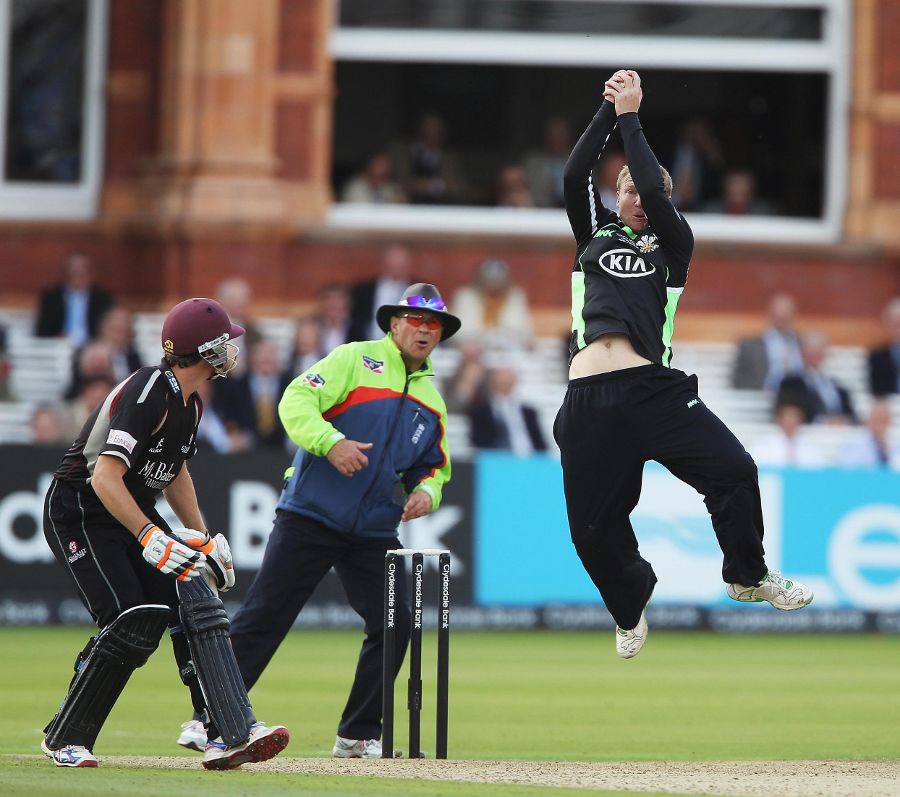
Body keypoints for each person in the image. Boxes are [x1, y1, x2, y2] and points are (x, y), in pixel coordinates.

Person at [554, 69, 813, 661]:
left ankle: (747, 575)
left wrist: (631, 117)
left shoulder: (674, 245)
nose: (640, 199)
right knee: (591, 531)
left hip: (654, 390)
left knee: (734, 470)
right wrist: (606, 109)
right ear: (614, 196)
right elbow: (574, 174)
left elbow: (649, 175)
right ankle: (629, 605)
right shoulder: (591, 236)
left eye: (650, 193)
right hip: (590, 399)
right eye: (629, 191)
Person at [177, 283, 457, 758]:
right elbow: (295, 402)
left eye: (433, 324)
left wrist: (427, 492)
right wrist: (331, 442)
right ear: (393, 323)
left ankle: (357, 734)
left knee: (398, 623)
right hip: (311, 513)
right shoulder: (354, 359)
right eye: (414, 319)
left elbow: (434, 465)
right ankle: (207, 719)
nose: (424, 330)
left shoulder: (432, 401)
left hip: (372, 530)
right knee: (266, 615)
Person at [41, 297, 288, 769]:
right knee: (132, 617)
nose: (234, 349)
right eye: (227, 342)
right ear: (207, 350)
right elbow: (104, 478)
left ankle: (224, 729)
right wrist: (150, 537)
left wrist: (204, 537)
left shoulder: (190, 403)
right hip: (82, 511)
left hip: (127, 512)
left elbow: (175, 474)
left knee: (194, 592)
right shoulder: (148, 391)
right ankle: (65, 737)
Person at [775, 331, 857, 425]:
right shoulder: (791, 383)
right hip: (810, 434)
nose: (816, 356)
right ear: (803, 353)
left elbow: (852, 415)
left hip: (842, 432)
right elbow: (789, 413)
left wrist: (842, 421)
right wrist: (823, 421)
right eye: (812, 352)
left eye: (819, 352)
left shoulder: (836, 386)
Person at [452, 259, 534, 349]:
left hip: (509, 350)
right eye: (489, 280)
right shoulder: (465, 296)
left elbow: (524, 331)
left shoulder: (515, 296)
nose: (493, 285)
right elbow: (459, 332)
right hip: (473, 348)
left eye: (498, 281)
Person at [35, 253, 113, 347]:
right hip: (59, 347)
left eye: (82, 269)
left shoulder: (102, 298)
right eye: (74, 270)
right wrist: (56, 337)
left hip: (93, 349)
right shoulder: (51, 297)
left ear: (91, 273)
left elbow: (108, 329)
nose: (78, 273)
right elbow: (42, 331)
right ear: (66, 273)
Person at [731, 293, 804, 391]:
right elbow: (738, 381)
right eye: (778, 310)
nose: (781, 314)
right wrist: (764, 387)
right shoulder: (750, 346)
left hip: (798, 398)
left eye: (786, 310)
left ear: (793, 314)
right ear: (769, 313)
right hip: (762, 398)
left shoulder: (802, 343)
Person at [467, 366, 547, 454]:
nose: (505, 386)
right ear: (493, 384)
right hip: (498, 459)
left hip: (530, 460)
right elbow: (479, 442)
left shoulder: (529, 412)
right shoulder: (481, 413)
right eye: (501, 383)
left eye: (508, 383)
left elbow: (540, 443)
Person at [348, 244, 415, 342]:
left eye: (400, 264)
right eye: (392, 263)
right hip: (368, 346)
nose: (396, 267)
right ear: (384, 263)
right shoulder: (364, 290)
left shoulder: (418, 290)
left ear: (408, 265)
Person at [750, 398, 827, 469]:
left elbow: (818, 470)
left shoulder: (810, 448)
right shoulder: (764, 445)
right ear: (779, 419)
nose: (790, 421)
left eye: (794, 416)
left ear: (801, 419)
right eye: (787, 416)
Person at [839, 400, 900, 468]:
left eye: (883, 420)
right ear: (868, 421)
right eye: (876, 420)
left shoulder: (894, 444)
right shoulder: (856, 443)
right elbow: (847, 466)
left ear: (888, 422)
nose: (879, 425)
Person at [340, 151, 407, 204]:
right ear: (368, 166)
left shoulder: (390, 188)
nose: (385, 169)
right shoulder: (355, 187)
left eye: (387, 166)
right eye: (380, 165)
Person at [867, 297, 900, 397]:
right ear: (888, 325)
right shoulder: (877, 356)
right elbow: (876, 389)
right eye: (896, 324)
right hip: (889, 405)